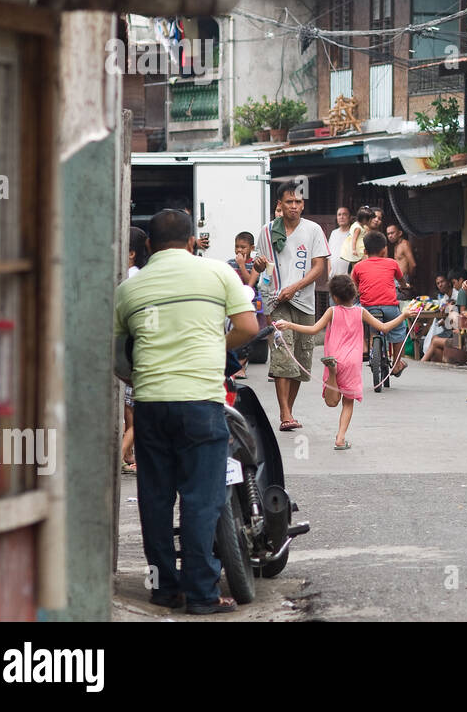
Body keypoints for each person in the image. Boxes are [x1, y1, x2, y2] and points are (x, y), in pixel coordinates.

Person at [114, 208, 258, 615]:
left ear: (146, 246)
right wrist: (216, 348)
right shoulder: (217, 274)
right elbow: (247, 327)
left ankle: (163, 589)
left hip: (151, 406)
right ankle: (201, 595)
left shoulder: (130, 291)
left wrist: (140, 378)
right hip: (201, 402)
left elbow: (118, 358)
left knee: (155, 499)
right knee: (200, 498)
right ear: (193, 242)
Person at [274, 275, 404, 450]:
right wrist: (404, 315)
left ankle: (333, 373)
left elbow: (313, 330)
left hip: (334, 357)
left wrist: (288, 325)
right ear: (354, 293)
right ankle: (340, 438)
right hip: (352, 361)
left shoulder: (332, 311)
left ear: (334, 297)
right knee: (347, 403)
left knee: (331, 401)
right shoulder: (361, 312)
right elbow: (384, 328)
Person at [251, 182, 330, 432]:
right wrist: (260, 267)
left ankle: (289, 410)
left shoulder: (313, 230)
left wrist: (295, 287)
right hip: (277, 301)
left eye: (298, 202)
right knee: (283, 354)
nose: (294, 206)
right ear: (280, 205)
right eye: (289, 202)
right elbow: (261, 271)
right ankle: (285, 413)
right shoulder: (267, 231)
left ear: (303, 204)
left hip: (304, 301)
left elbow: (319, 267)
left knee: (300, 359)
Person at [352, 230, 408, 388]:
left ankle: (366, 346)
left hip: (368, 308)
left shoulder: (358, 266)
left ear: (364, 251)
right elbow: (401, 281)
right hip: (390, 307)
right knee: (399, 329)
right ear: (384, 249)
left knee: (364, 324)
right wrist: (405, 286)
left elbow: (352, 285)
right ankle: (396, 364)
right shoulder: (392, 263)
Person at [120, 227, 150, 475]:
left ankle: (125, 452)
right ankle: (125, 453)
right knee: (134, 408)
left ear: (130, 253)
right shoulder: (136, 275)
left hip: (130, 350)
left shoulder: (131, 276)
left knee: (134, 407)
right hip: (133, 350)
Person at [226, 231, 263, 380]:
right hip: (232, 304)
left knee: (246, 336)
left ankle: (241, 365)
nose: (239, 250)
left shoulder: (255, 264)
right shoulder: (229, 263)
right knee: (231, 332)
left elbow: (250, 283)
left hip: (249, 304)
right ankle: (232, 363)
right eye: (237, 246)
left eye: (243, 247)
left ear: (251, 248)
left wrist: (242, 265)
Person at [423, 270, 467, 364]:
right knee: (437, 350)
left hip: (461, 334)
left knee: (434, 340)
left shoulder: (462, 291)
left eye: (454, 283)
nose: (454, 285)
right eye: (438, 283)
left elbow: (462, 315)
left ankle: (422, 363)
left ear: (461, 280)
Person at [339, 207, 373, 274]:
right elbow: (354, 239)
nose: (369, 221)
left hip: (359, 248)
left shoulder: (358, 225)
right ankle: (354, 279)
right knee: (355, 267)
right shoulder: (358, 228)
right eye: (368, 219)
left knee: (359, 265)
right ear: (364, 219)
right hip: (357, 249)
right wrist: (354, 249)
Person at [385, 222, 416, 291]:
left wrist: (409, 279)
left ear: (399, 233)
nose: (390, 236)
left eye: (392, 233)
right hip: (397, 280)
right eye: (388, 234)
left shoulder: (404, 244)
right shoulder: (396, 245)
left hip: (404, 279)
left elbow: (413, 264)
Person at [327, 207, 353, 278]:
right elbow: (329, 256)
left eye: (344, 214)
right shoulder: (334, 233)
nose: (341, 217)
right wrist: (329, 274)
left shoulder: (353, 233)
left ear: (350, 217)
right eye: (339, 215)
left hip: (348, 277)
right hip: (334, 277)